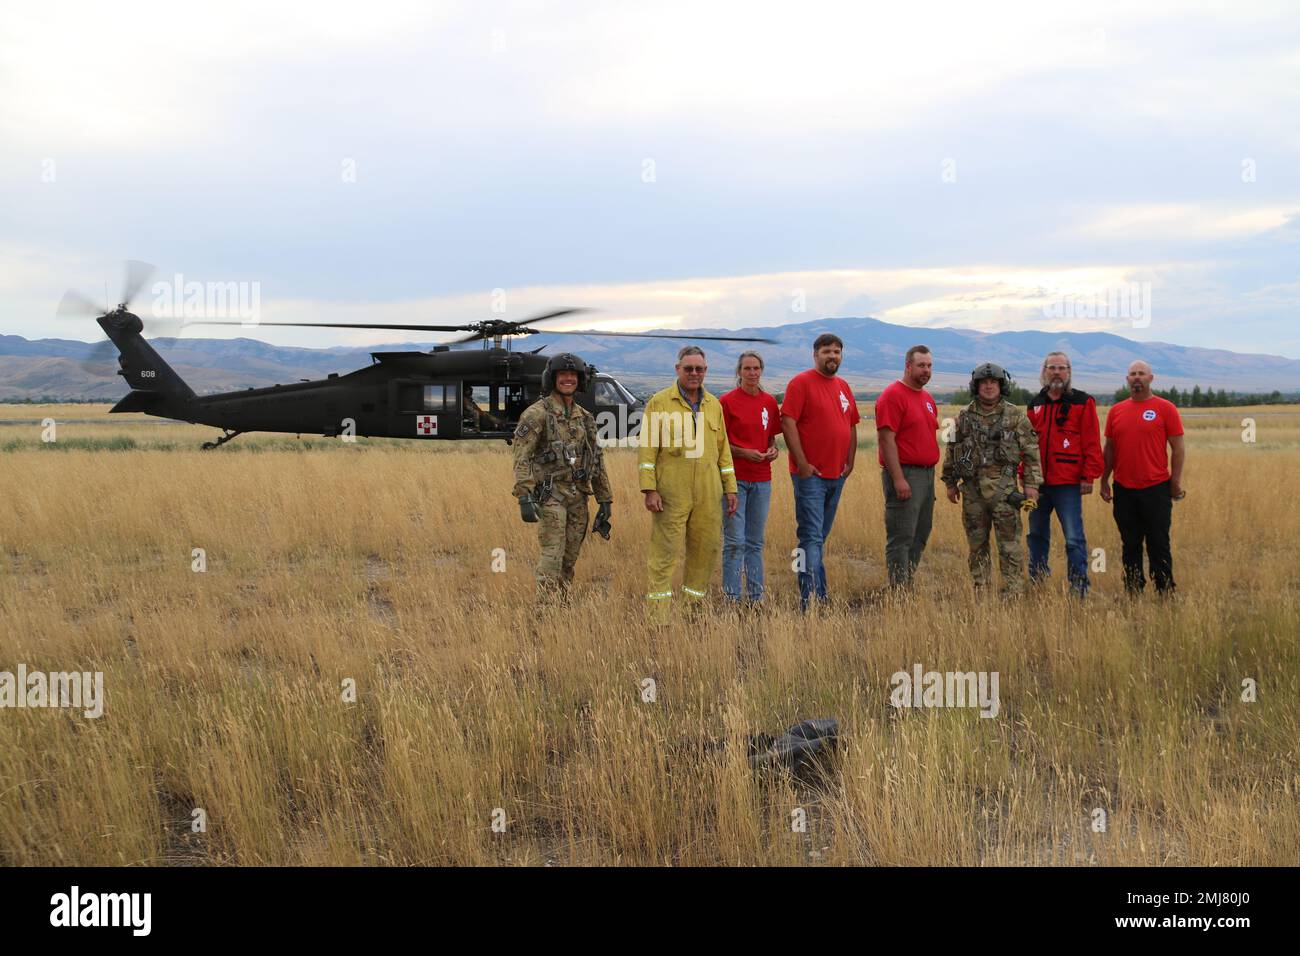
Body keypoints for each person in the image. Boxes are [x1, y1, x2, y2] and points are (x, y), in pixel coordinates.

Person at [639, 346, 738, 623]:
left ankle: (692, 611)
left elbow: (723, 451)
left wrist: (730, 487)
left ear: (705, 371)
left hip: (709, 492)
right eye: (688, 369)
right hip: (671, 492)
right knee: (664, 554)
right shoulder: (660, 403)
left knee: (704, 551)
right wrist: (649, 488)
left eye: (699, 369)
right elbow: (647, 451)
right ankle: (658, 619)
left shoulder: (714, 405)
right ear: (677, 370)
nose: (694, 373)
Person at [511, 353, 613, 603]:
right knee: (552, 555)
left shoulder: (585, 418)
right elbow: (521, 456)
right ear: (552, 379)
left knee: (570, 556)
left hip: (578, 495)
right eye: (562, 375)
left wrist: (605, 499)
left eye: (573, 375)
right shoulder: (536, 414)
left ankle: (563, 602)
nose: (568, 379)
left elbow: (596, 459)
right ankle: (545, 610)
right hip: (551, 495)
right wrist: (524, 496)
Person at [941, 362, 1042, 596]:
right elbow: (951, 451)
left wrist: (1032, 486)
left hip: (1005, 494)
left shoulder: (1015, 416)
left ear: (1001, 385)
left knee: (1010, 547)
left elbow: (1032, 454)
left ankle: (1013, 591)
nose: (988, 387)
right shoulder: (963, 417)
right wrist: (949, 483)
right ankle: (981, 591)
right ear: (976, 386)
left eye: (993, 382)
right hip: (972, 494)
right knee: (977, 547)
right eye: (984, 383)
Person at [781, 333, 860, 610]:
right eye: (827, 351)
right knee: (810, 537)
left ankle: (820, 596)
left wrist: (850, 461)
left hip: (836, 475)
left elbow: (850, 425)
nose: (832, 356)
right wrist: (802, 464)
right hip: (810, 477)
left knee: (818, 538)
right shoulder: (801, 383)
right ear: (815, 355)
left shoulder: (843, 386)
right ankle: (809, 601)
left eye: (837, 351)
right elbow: (788, 422)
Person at [1099, 360, 1185, 595]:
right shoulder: (1116, 411)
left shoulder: (1166, 408)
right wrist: (1104, 479)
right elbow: (1110, 448)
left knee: (1158, 543)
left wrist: (1175, 482)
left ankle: (1165, 590)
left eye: (1141, 374)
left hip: (1156, 488)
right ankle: (1133, 589)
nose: (1136, 378)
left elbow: (1178, 448)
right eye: (1132, 374)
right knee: (1130, 543)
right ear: (1127, 380)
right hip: (1124, 489)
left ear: (1151, 378)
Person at [1024, 352, 1103, 597]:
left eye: (1061, 368)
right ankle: (1037, 580)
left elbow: (1091, 441)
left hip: (1068, 483)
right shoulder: (1035, 403)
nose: (1056, 372)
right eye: (1052, 368)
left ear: (1068, 372)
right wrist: (1026, 478)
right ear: (1044, 371)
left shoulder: (1082, 402)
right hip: (1037, 485)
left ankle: (1079, 587)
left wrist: (1089, 476)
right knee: (1036, 535)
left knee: (1073, 538)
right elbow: (1025, 445)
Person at [875, 345, 940, 590]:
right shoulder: (893, 395)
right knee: (901, 536)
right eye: (921, 365)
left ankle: (906, 582)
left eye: (929, 366)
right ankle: (899, 590)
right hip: (905, 473)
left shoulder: (927, 399)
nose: (926, 370)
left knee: (921, 533)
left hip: (927, 474)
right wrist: (898, 479)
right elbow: (886, 439)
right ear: (908, 366)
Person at [720, 351, 781, 604]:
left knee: (755, 542)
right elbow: (718, 443)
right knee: (735, 541)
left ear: (761, 370)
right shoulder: (726, 401)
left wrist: (773, 450)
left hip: (762, 479)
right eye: (747, 368)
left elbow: (771, 436)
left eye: (756, 368)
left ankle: (756, 598)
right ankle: (731, 599)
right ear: (739, 372)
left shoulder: (768, 402)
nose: (752, 373)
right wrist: (744, 452)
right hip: (734, 481)